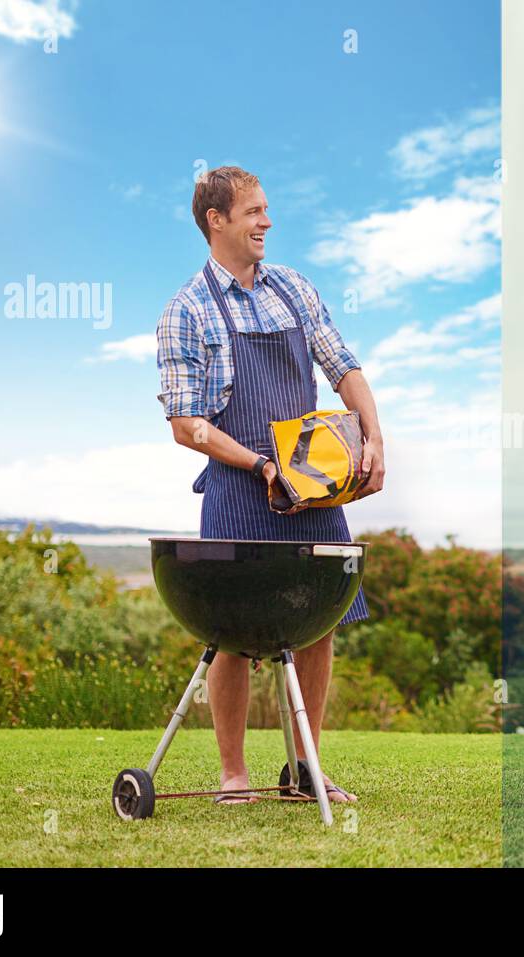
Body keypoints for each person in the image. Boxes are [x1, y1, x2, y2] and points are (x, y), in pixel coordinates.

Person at [156, 166, 385, 805]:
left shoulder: (293, 289)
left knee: (317, 622)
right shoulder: (186, 309)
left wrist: (374, 436)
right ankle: (234, 774)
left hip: (314, 484)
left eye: (267, 210)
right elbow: (186, 425)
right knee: (228, 630)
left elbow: (343, 366)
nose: (267, 222)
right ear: (216, 220)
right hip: (238, 488)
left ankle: (304, 768)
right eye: (254, 211)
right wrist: (261, 465)